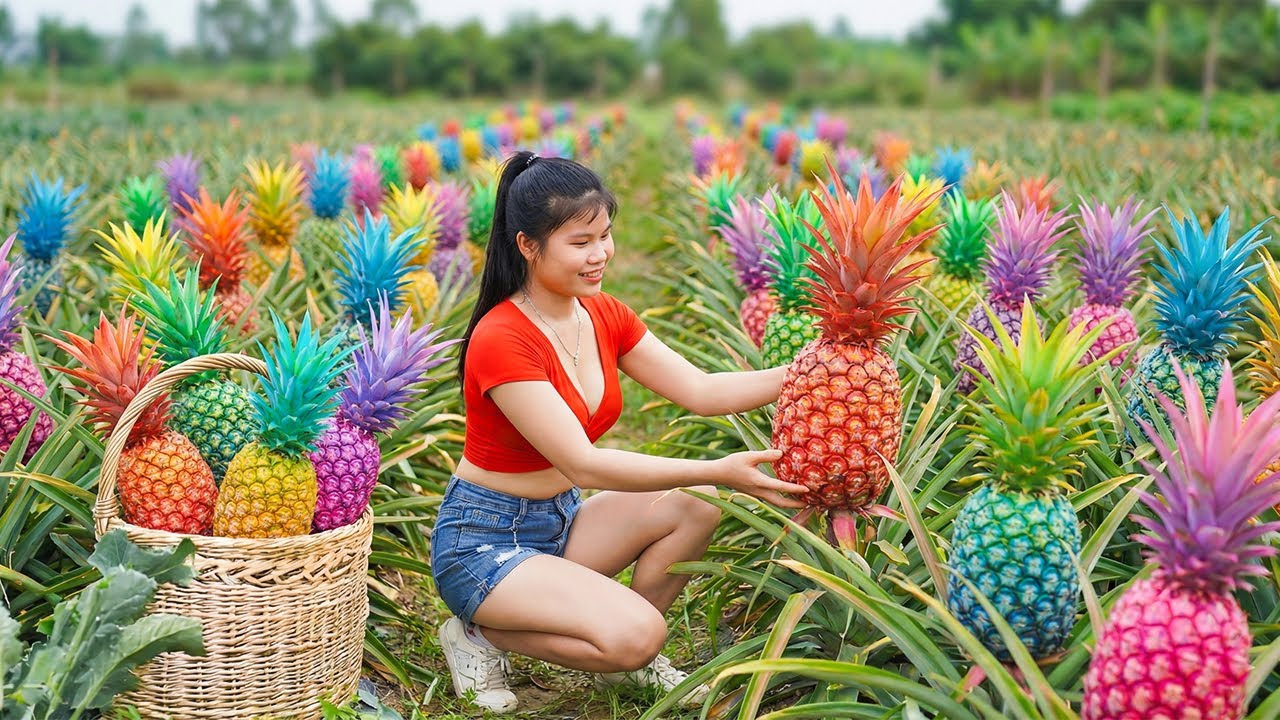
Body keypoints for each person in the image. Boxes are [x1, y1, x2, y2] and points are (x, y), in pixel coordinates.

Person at [432, 150, 807, 713]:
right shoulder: (501, 338)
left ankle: (620, 662)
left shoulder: (603, 313)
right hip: (484, 543)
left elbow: (701, 391)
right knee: (638, 634)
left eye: (605, 236)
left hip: (558, 522)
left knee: (694, 505)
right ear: (528, 247)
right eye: (580, 243)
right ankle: (478, 634)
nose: (600, 254)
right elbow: (583, 463)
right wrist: (719, 469)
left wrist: (809, 370)